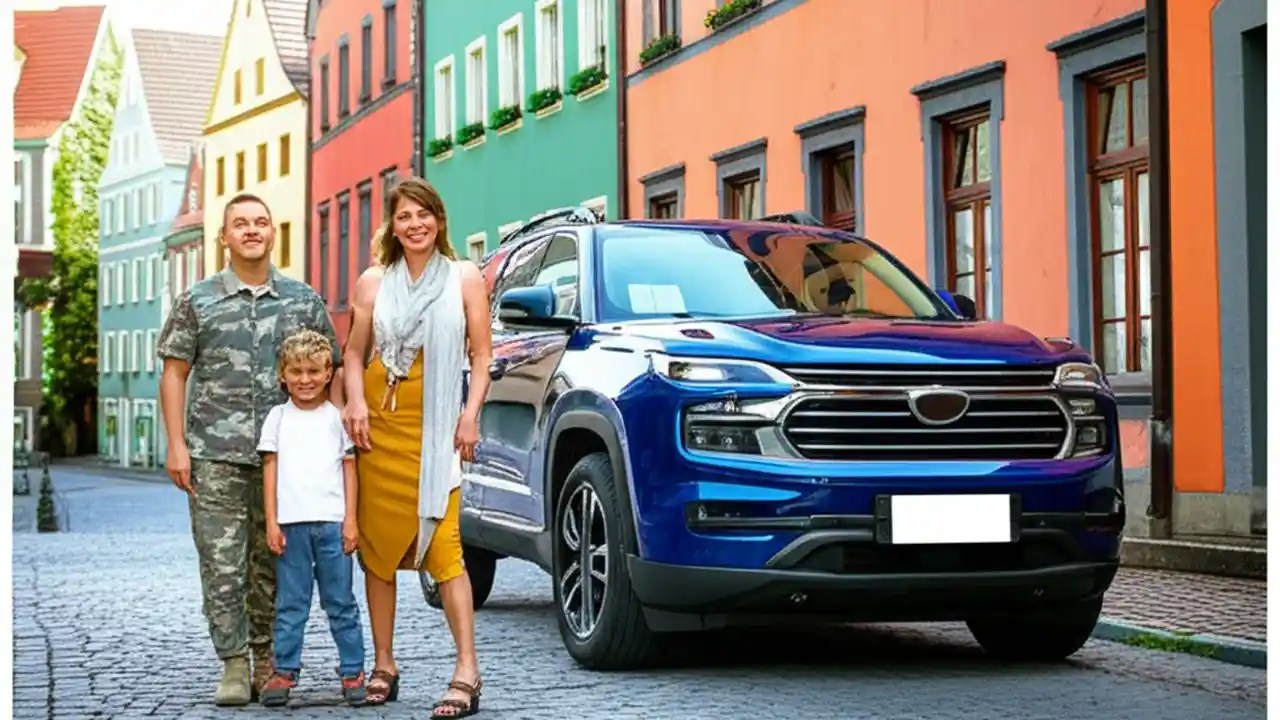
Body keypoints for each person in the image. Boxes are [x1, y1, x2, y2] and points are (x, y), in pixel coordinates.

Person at [157, 193, 339, 706]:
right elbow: (174, 373)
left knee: (274, 563)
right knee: (222, 565)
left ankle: (266, 657)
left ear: (272, 233)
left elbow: (331, 371)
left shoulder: (303, 301)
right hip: (214, 456)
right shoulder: (198, 301)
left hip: (285, 461)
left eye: (261, 222)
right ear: (224, 236)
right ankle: (234, 663)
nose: (252, 230)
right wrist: (176, 444)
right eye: (241, 223)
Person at [341, 177, 493, 718]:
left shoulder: (464, 277)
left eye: (423, 214)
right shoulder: (373, 282)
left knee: (446, 550)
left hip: (437, 430)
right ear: (393, 225)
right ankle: (384, 663)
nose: (414, 224)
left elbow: (482, 356)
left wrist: (470, 415)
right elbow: (353, 354)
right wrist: (354, 403)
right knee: (378, 552)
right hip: (378, 432)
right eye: (404, 216)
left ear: (439, 219)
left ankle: (467, 669)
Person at [257, 329, 366, 707]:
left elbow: (350, 470)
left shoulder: (337, 418)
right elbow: (270, 470)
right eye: (296, 371)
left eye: (313, 371)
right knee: (291, 603)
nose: (305, 380)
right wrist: (272, 521)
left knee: (341, 601)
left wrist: (350, 520)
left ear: (328, 374)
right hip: (291, 527)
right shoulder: (276, 418)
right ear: (282, 375)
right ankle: (285, 669)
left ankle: (353, 669)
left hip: (332, 524)